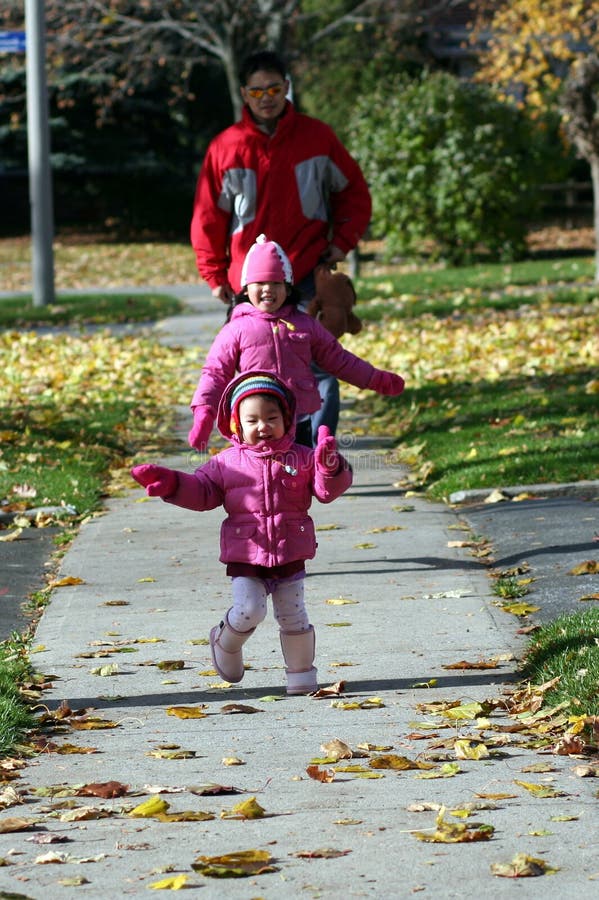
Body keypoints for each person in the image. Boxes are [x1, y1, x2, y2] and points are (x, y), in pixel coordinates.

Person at [190, 49, 372, 443]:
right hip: (247, 283)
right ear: (244, 94)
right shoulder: (226, 147)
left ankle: (316, 454)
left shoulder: (317, 138)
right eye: (257, 92)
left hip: (307, 271)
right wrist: (213, 274)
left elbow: (355, 194)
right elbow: (208, 218)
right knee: (249, 372)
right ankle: (259, 454)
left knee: (319, 367)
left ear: (287, 88)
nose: (267, 97)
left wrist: (341, 243)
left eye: (274, 88)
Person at [131, 371, 353, 695]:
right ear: (237, 425)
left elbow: (325, 490)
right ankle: (226, 642)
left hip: (290, 550)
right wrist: (174, 484)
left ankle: (301, 674)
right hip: (247, 551)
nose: (263, 426)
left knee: (293, 615)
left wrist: (331, 466)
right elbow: (203, 490)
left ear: (287, 419)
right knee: (251, 609)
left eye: (271, 417)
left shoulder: (301, 457)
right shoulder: (226, 464)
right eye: (252, 420)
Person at [187, 234, 404, 450]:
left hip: (297, 420)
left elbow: (339, 359)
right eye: (260, 282)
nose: (268, 289)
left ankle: (320, 480)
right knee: (259, 478)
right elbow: (215, 372)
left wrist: (375, 379)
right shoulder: (235, 329)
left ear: (288, 288)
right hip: (256, 423)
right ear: (246, 288)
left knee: (300, 476)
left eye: (276, 283)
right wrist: (204, 411)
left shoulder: (305, 324)